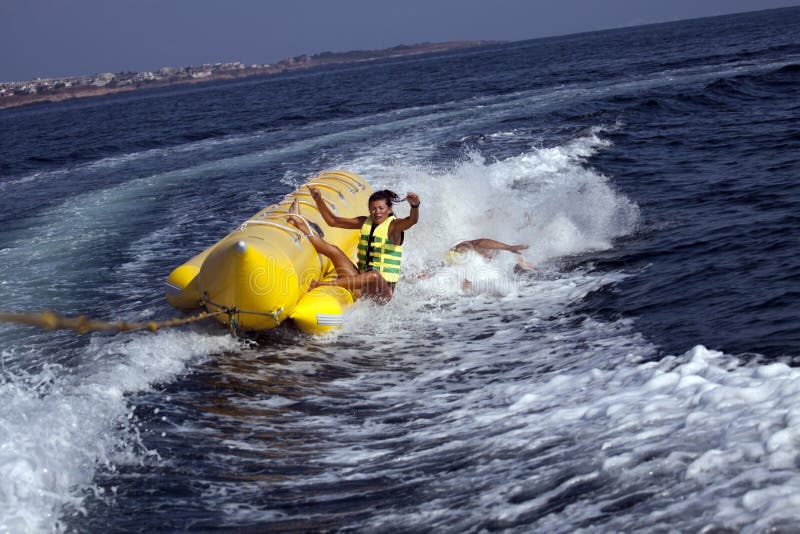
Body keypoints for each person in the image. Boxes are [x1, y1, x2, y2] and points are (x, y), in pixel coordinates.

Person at [287, 186, 420, 302]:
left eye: (381, 208)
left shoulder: (394, 226)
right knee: (334, 250)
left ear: (389, 209)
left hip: (381, 294)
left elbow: (412, 221)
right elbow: (333, 221)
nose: (377, 212)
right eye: (373, 209)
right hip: (360, 284)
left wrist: (414, 206)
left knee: (374, 275)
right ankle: (298, 222)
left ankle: (323, 284)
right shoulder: (365, 222)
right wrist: (318, 199)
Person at [446, 239, 535, 271]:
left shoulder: (488, 266)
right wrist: (509, 247)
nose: (490, 256)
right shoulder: (459, 253)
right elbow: (478, 243)